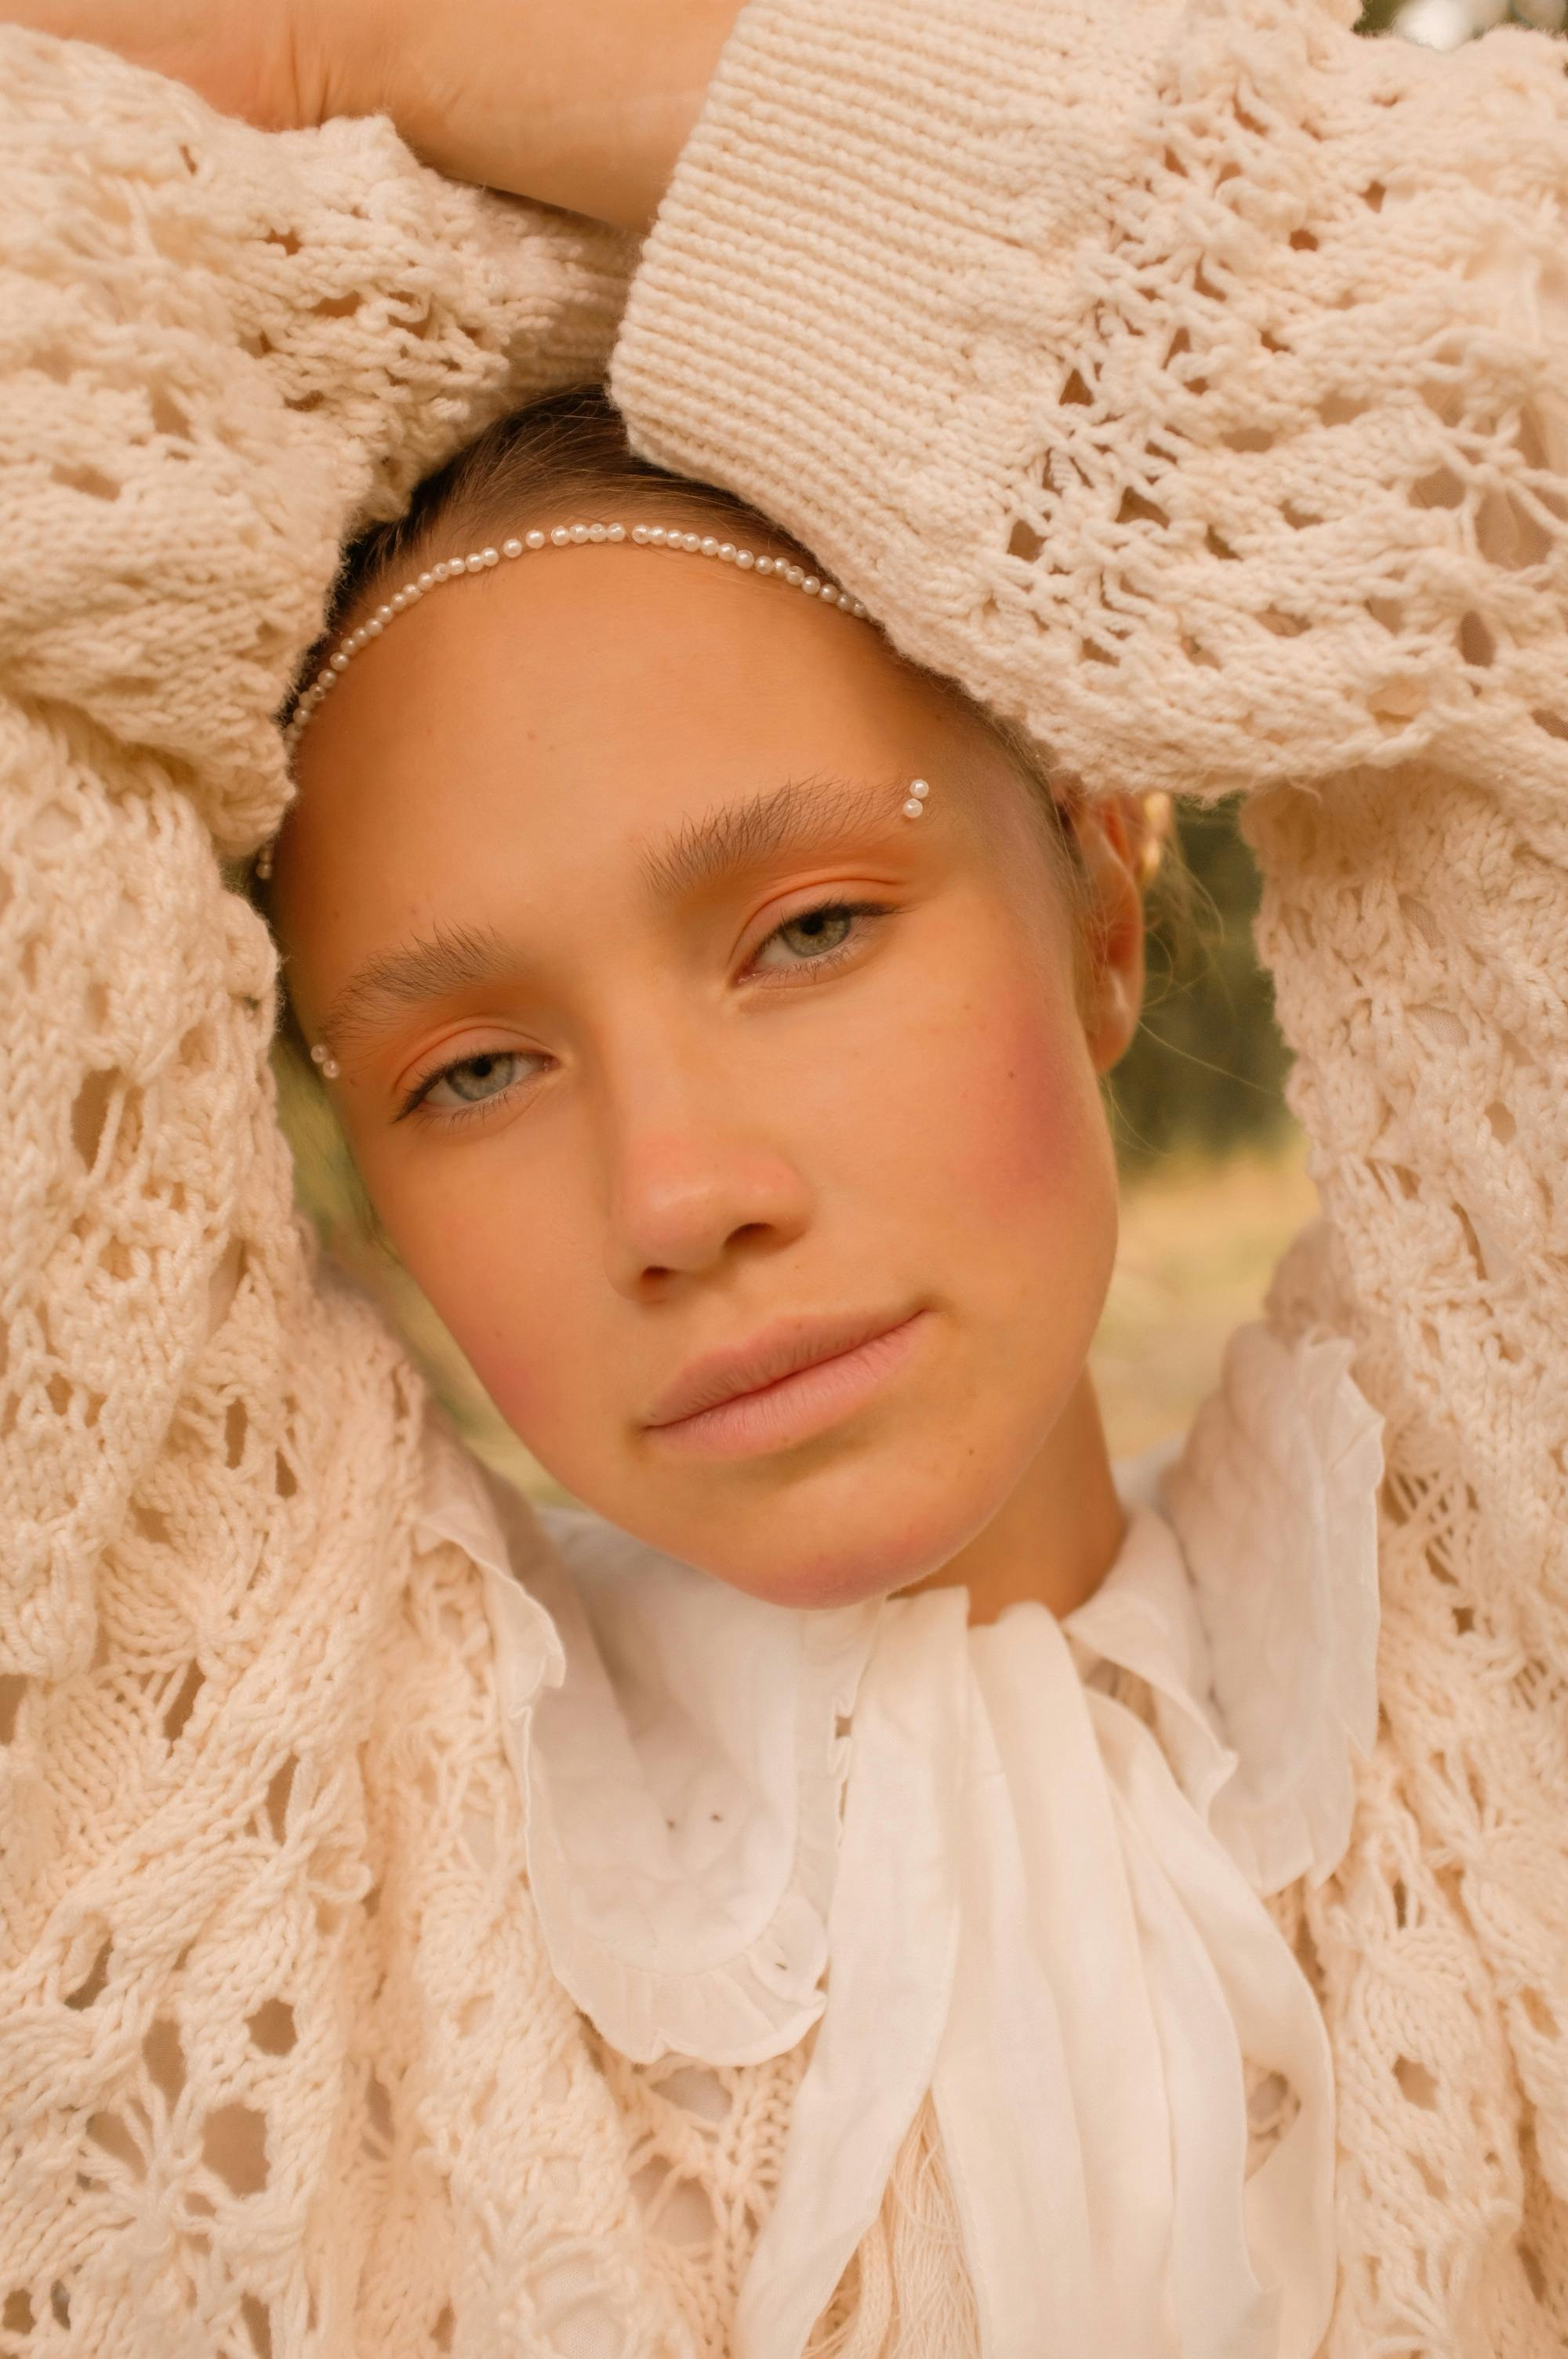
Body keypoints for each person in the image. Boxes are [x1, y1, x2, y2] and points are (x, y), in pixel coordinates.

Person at [2, 3, 1565, 2355]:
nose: (679, 1189)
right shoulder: (268, 1864)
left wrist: (385, 45)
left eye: (811, 927)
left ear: (1108, 909)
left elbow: (1501, 388)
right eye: (472, 1070)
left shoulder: (1490, 1662)